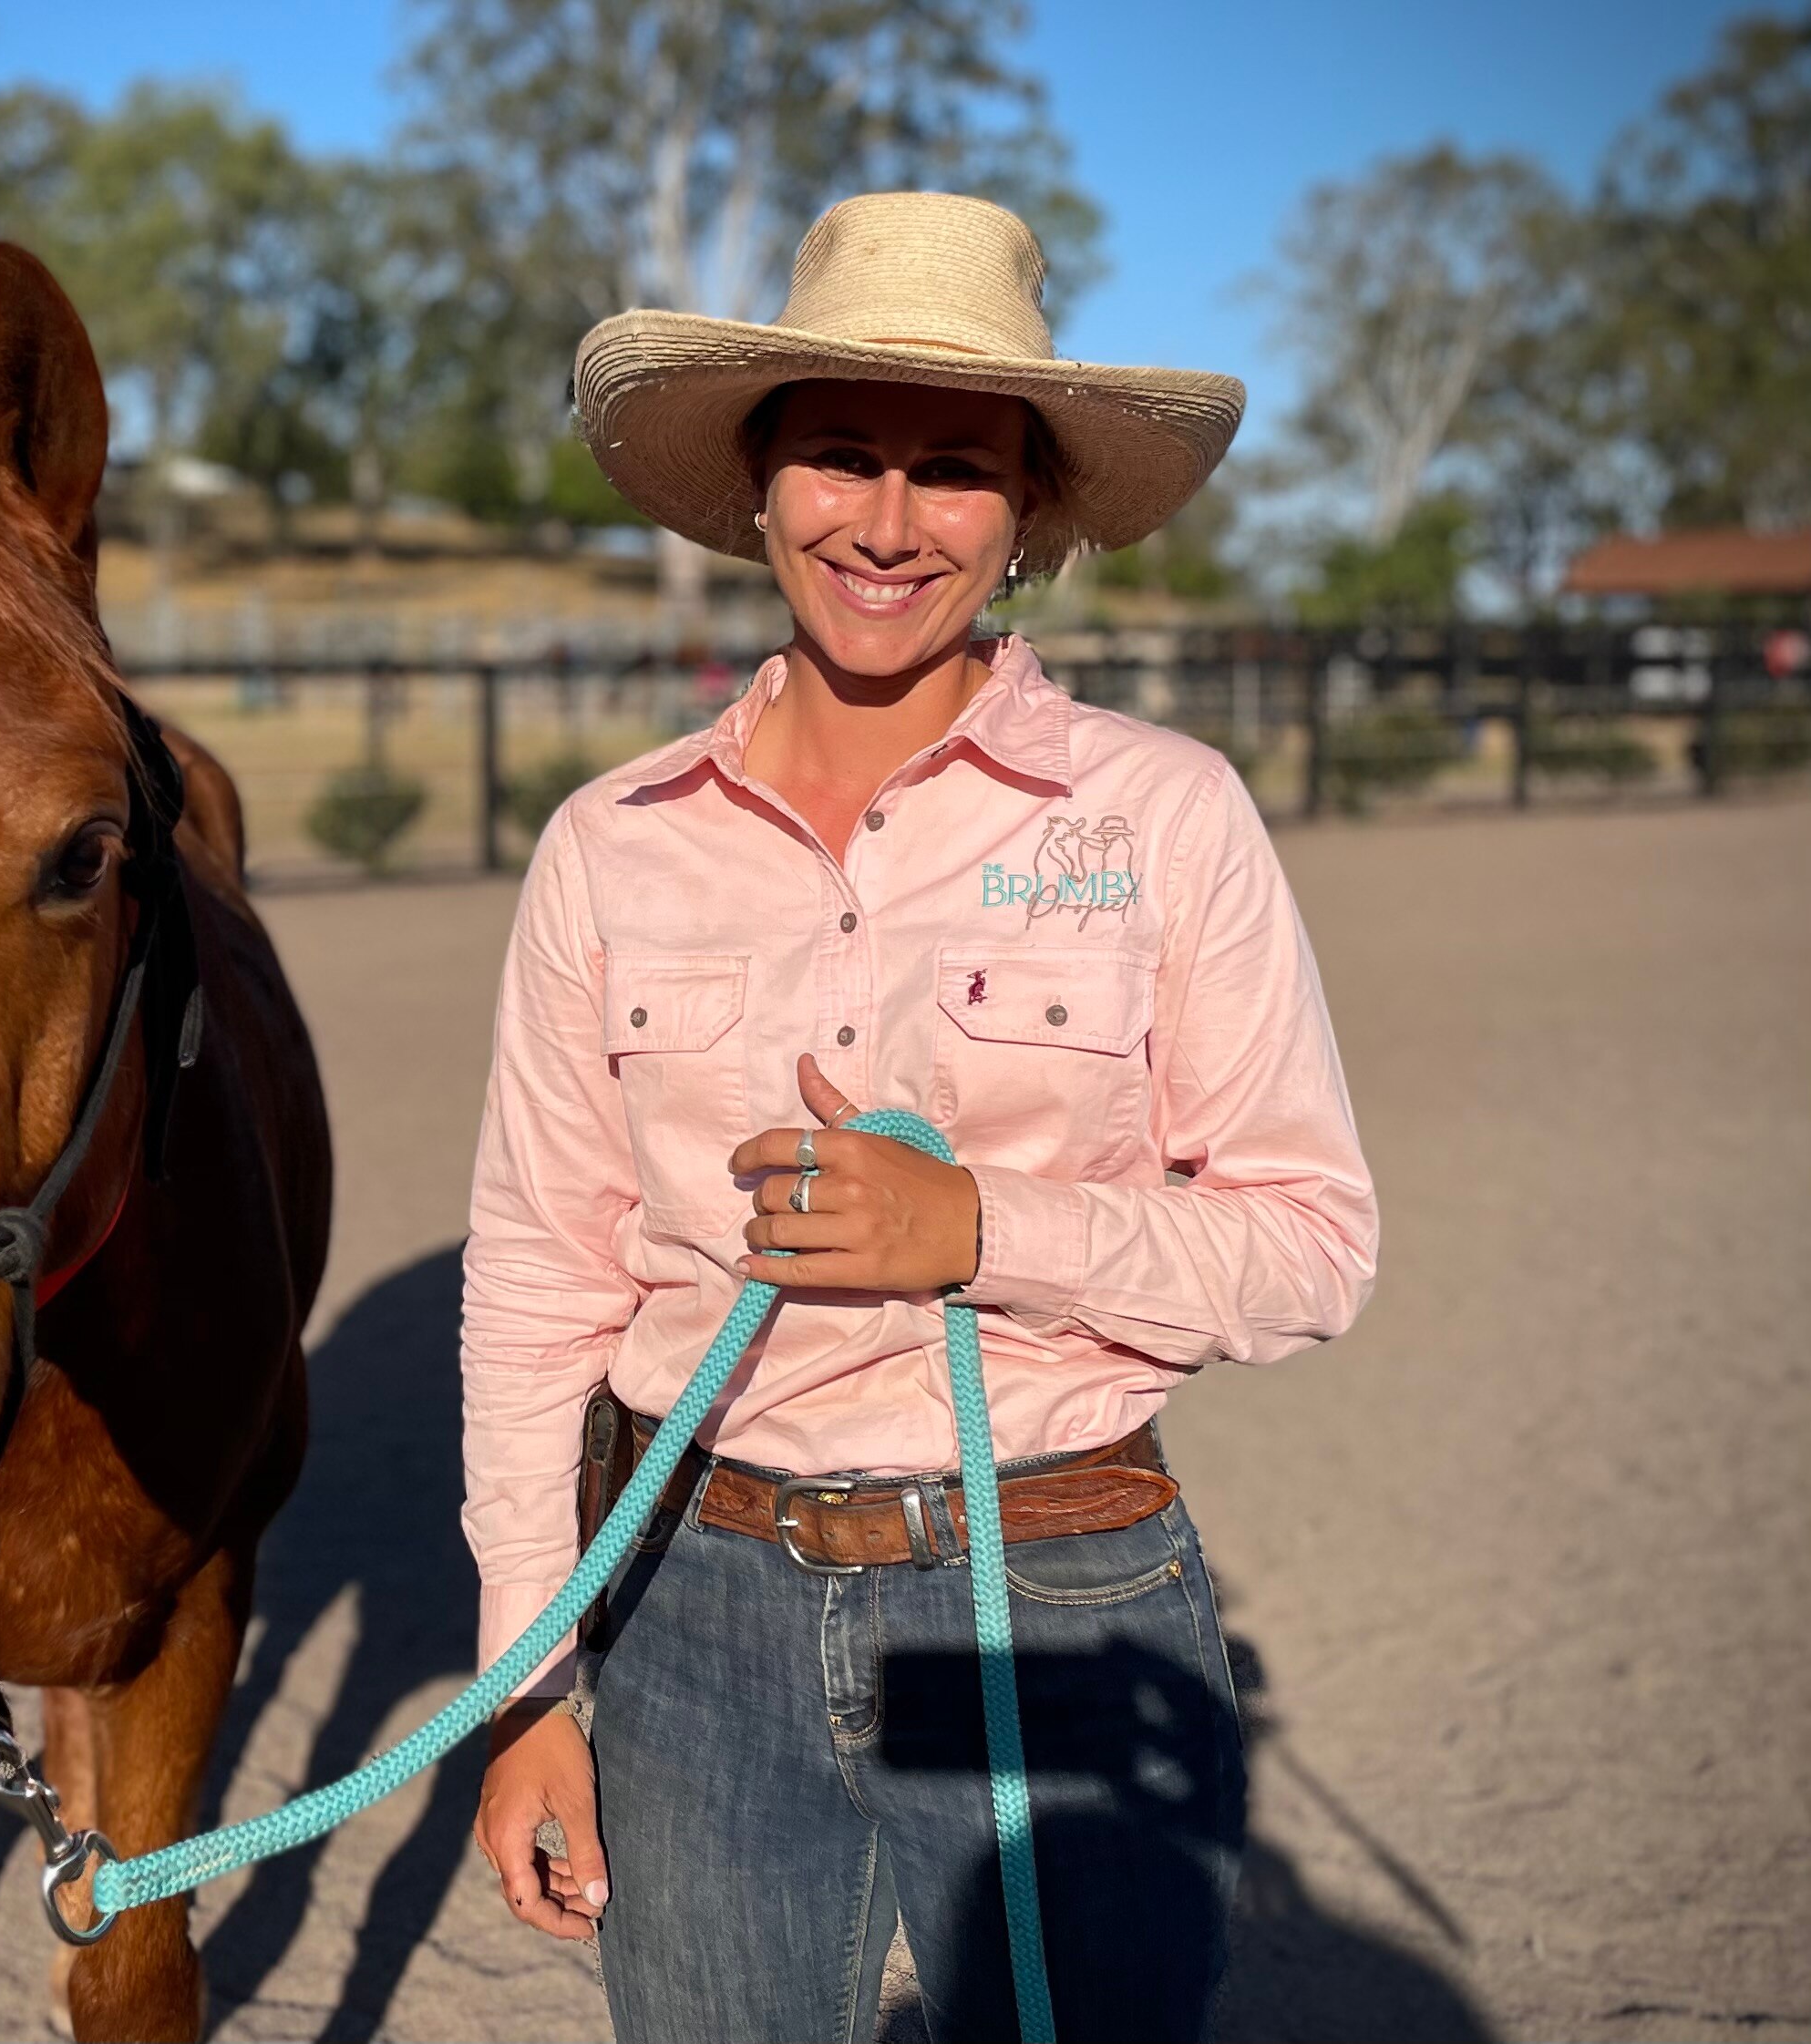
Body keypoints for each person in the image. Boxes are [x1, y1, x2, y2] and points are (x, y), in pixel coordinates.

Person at [459, 190, 1380, 2044]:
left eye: (951, 469)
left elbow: (1312, 1249)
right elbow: (534, 1285)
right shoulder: (607, 846)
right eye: (839, 457)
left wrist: (975, 1236)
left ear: (1029, 509)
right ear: (756, 484)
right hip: (687, 1613)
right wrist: (526, 1688)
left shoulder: (1161, 820)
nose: (886, 525)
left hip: (1056, 1587)